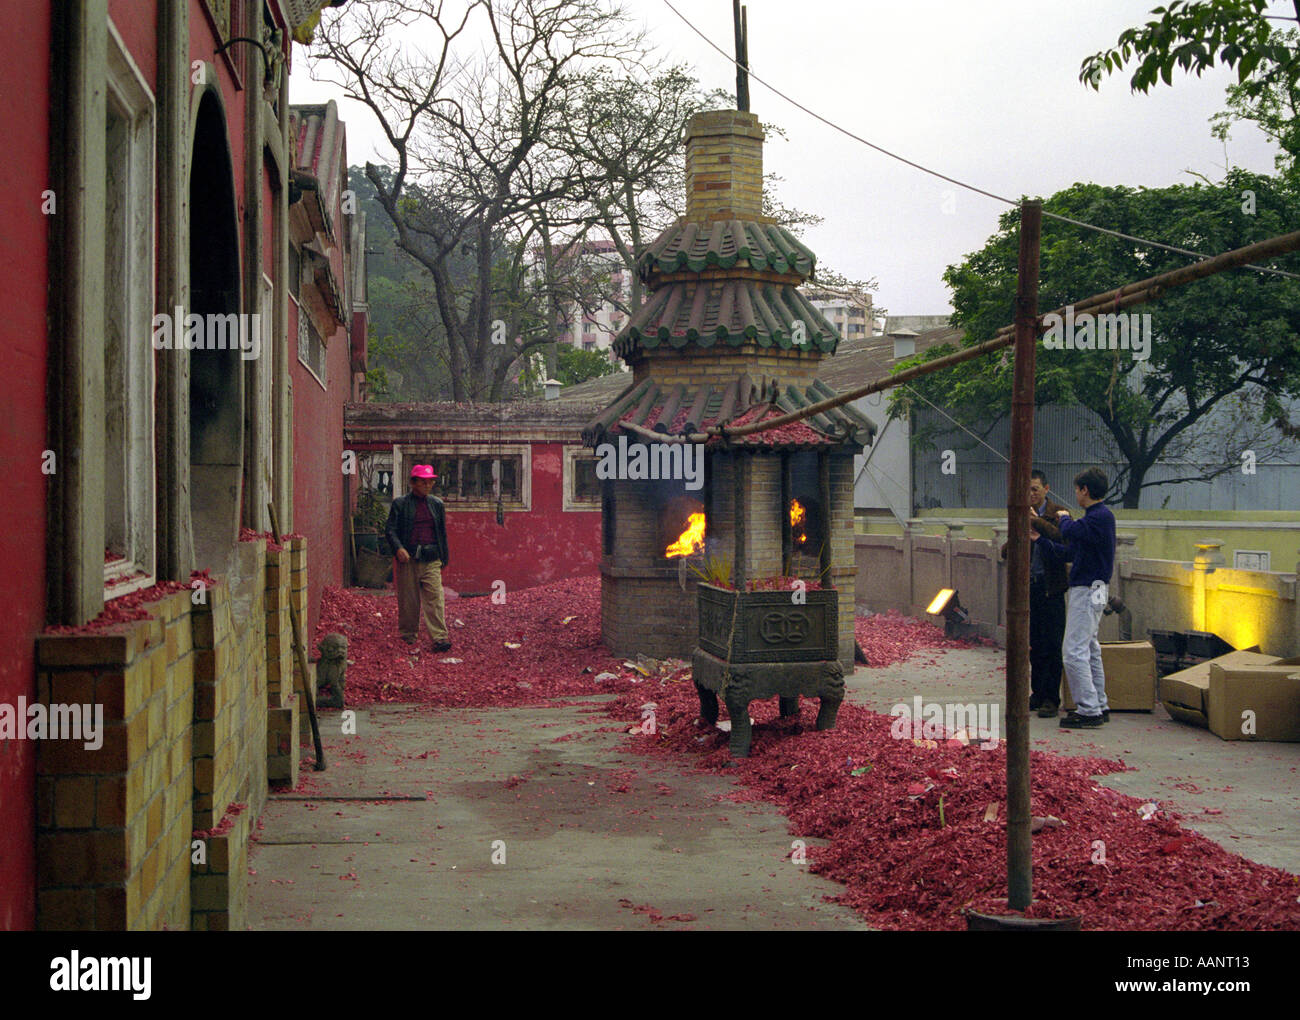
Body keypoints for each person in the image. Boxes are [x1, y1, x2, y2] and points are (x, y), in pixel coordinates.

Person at [1037, 466, 1116, 729]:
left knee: (1072, 651)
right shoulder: (1095, 520)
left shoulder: (1099, 517)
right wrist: (1040, 539)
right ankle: (1099, 703)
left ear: (1084, 490)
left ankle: (1088, 709)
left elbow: (1070, 531)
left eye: (1077, 490)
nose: (1076, 495)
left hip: (1088, 588)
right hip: (1093, 587)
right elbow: (1069, 553)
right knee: (1090, 648)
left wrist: (1061, 517)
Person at [1001, 469, 1069, 718]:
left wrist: (1035, 521)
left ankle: (1051, 697)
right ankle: (1037, 693)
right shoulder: (1020, 515)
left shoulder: (1058, 513)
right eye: (1026, 489)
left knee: (1052, 644)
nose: (1030, 494)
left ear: (1046, 489)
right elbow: (1008, 549)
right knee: (1035, 645)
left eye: (1035, 489)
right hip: (1029, 587)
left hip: (1051, 587)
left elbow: (1063, 539)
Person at [384, 464, 451, 652]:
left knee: (435, 598)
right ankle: (408, 636)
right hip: (409, 558)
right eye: (423, 481)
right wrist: (398, 549)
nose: (427, 485)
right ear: (413, 483)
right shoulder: (400, 504)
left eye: (430, 482)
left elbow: (442, 533)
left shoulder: (437, 505)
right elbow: (390, 530)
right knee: (408, 599)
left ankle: (439, 637)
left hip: (431, 558)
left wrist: (444, 557)